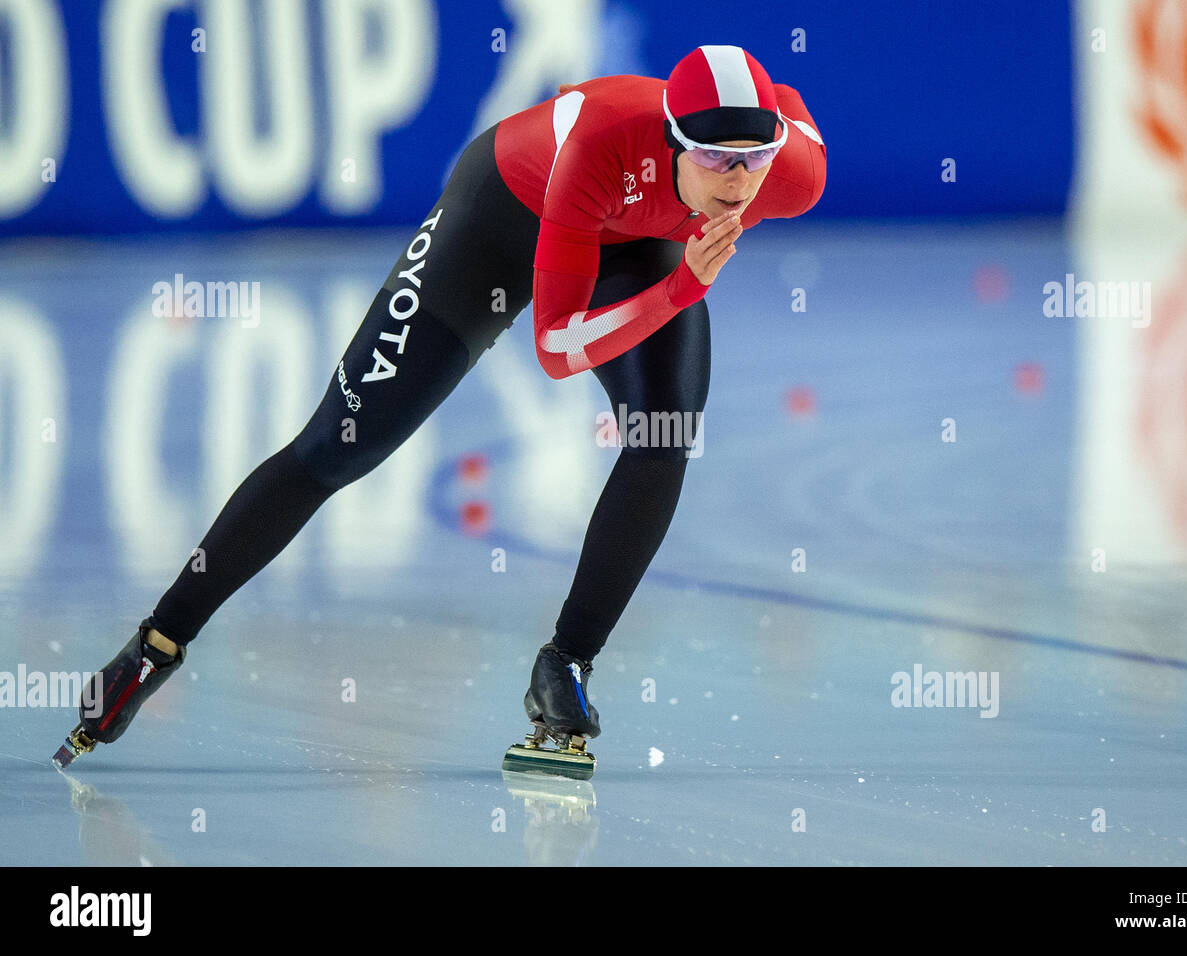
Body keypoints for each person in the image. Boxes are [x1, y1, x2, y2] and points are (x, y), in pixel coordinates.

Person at [54, 44, 827, 770]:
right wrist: (684, 285)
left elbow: (791, 117)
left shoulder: (789, 172)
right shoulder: (600, 144)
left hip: (634, 237)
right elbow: (557, 351)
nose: (738, 180)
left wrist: (685, 255)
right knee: (337, 447)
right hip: (504, 217)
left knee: (664, 434)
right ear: (670, 141)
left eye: (753, 158)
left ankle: (565, 664)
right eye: (716, 159)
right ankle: (157, 643)